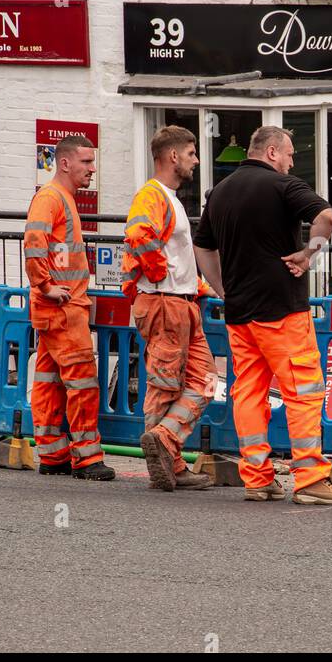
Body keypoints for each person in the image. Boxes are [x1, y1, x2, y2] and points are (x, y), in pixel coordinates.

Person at [193, 125, 332, 506]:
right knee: (303, 390)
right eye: (288, 155)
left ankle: (258, 478)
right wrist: (309, 252)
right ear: (271, 153)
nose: (290, 162)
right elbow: (327, 216)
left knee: (248, 391)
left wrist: (222, 289)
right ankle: (311, 479)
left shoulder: (219, 193)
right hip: (281, 309)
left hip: (240, 312)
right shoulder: (284, 187)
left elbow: (203, 248)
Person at [120, 125, 216, 492]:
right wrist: (162, 275)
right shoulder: (152, 195)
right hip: (166, 303)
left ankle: (165, 441)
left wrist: (196, 286)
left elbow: (170, 254)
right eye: (191, 153)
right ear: (173, 156)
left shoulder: (168, 198)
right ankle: (168, 461)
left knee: (204, 381)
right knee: (164, 386)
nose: (195, 160)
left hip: (179, 302)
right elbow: (139, 236)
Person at [23, 134, 114, 480]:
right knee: (82, 381)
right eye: (86, 162)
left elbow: (45, 246)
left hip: (56, 309)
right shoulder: (52, 198)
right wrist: (46, 285)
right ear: (64, 163)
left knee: (48, 380)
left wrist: (46, 287)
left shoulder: (58, 198)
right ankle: (87, 458)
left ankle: (53, 453)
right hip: (63, 308)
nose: (92, 169)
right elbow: (34, 242)